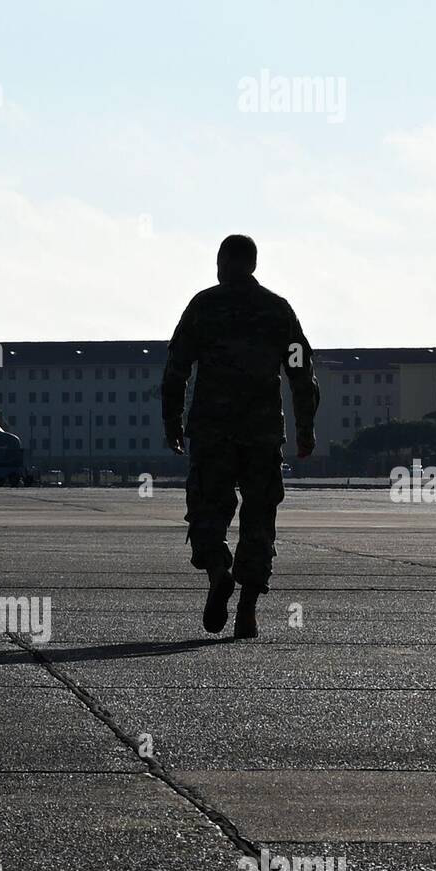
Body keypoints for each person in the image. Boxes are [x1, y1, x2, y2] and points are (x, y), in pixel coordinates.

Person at [162, 235, 320, 638]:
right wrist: (305, 428)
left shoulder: (203, 307)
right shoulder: (277, 310)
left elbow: (176, 367)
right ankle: (247, 608)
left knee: (206, 509)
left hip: (213, 431)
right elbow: (301, 370)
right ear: (253, 264)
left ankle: (218, 569)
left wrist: (172, 423)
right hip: (261, 433)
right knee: (259, 516)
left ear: (221, 263)